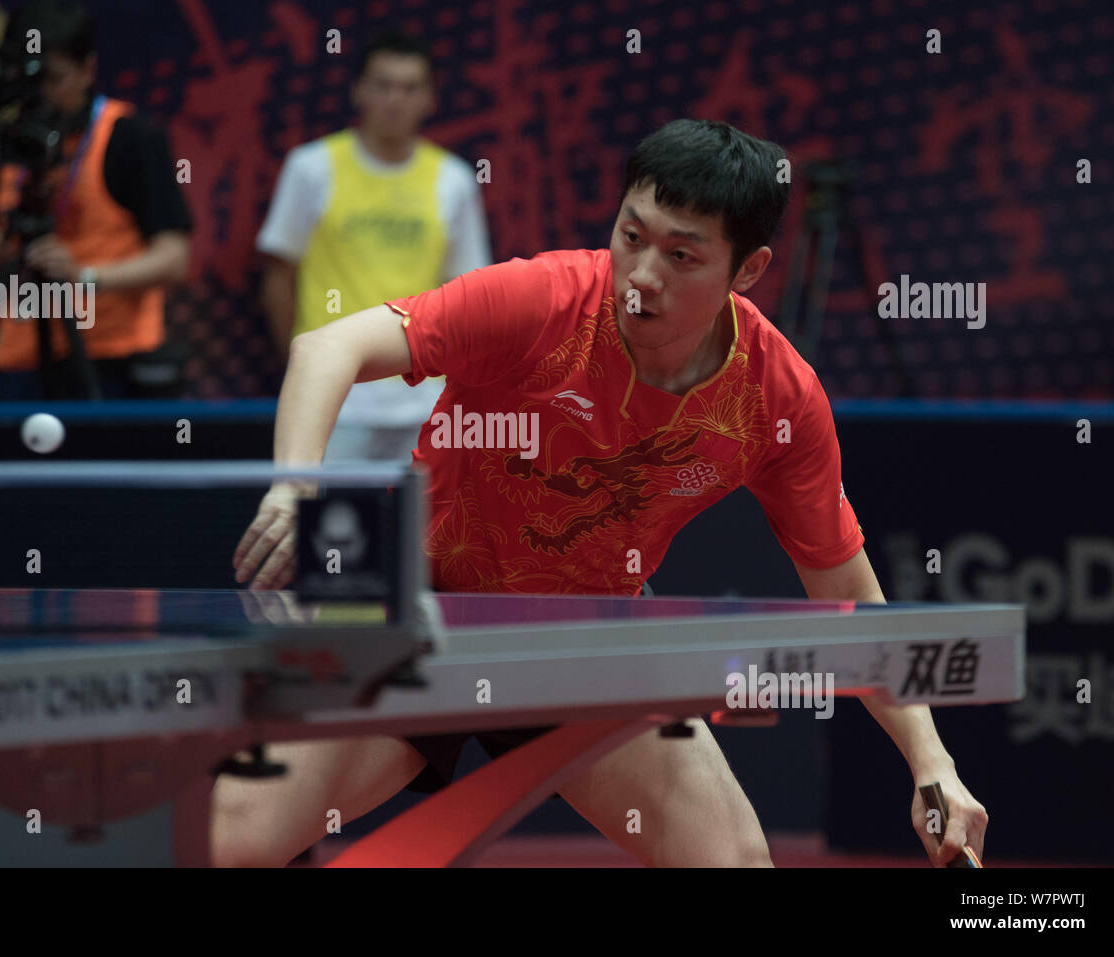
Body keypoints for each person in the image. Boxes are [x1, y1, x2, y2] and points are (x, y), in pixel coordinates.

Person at [222, 119, 988, 868]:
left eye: (682, 254)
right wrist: (295, 488)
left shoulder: (775, 397)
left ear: (747, 269)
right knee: (234, 839)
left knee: (733, 861)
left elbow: (844, 585)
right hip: (417, 609)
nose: (643, 274)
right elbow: (328, 347)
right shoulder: (540, 301)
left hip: (584, 639)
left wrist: (933, 759)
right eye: (632, 235)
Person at [255, 31, 491, 460]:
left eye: (409, 88)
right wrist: (306, 366)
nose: (394, 100)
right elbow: (278, 278)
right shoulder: (311, 168)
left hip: (425, 402)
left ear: (430, 99)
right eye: (382, 85)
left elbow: (467, 295)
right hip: (334, 400)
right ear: (358, 91)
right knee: (329, 524)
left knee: (422, 528)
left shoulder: (454, 180)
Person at [0, 0, 192, 400]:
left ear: (87, 69)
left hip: (113, 361)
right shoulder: (8, 148)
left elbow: (174, 259)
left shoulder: (130, 137)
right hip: (20, 364)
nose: (42, 95)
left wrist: (85, 278)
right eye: (29, 80)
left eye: (54, 79)